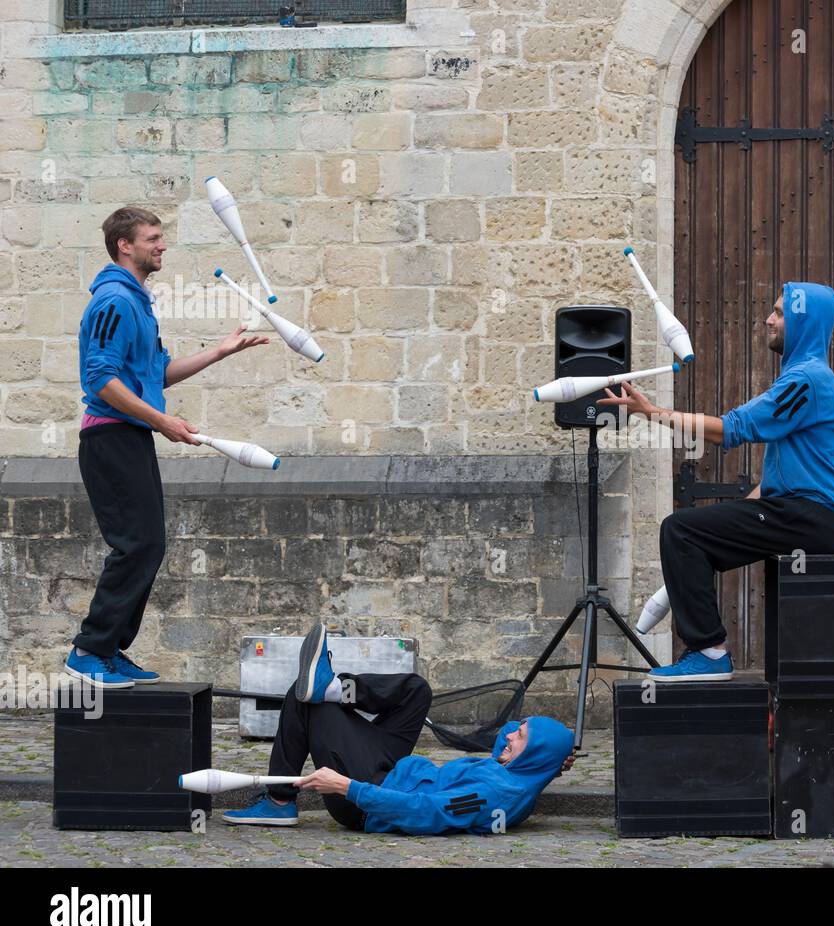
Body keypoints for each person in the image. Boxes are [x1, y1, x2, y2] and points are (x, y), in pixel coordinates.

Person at [600, 282, 834, 681]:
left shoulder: (806, 380)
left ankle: (710, 652)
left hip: (812, 517)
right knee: (695, 538)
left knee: (680, 531)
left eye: (780, 313)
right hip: (803, 511)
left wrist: (650, 412)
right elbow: (778, 479)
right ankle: (706, 646)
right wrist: (743, 509)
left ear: (803, 322)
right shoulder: (808, 377)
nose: (769, 320)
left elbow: (731, 429)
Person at [66, 207, 269, 689]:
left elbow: (154, 375)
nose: (162, 246)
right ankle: (88, 651)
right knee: (135, 545)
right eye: (153, 238)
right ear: (125, 245)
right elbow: (100, 378)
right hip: (109, 436)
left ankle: (110, 649)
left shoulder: (137, 302)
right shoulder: (114, 300)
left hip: (128, 434)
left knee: (148, 545)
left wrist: (218, 352)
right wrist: (162, 422)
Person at [225, 626, 576, 834]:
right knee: (417, 691)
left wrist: (346, 787)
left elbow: (425, 812)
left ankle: (278, 801)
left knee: (303, 701)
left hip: (366, 801)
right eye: (521, 729)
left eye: (523, 738)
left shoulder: (497, 795)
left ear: (533, 756)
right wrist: (552, 762)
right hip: (393, 769)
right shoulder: (520, 775)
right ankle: (335, 688)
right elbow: (508, 738)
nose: (512, 733)